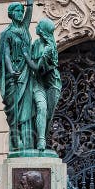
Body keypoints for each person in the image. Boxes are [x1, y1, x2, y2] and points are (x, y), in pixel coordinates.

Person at [0, 0, 35, 151]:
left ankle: (27, 140)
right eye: (17, 11)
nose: (20, 13)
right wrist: (11, 71)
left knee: (28, 106)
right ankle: (15, 136)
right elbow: (4, 55)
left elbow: (31, 8)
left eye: (21, 11)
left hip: (27, 71)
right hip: (15, 73)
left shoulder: (25, 28)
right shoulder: (7, 33)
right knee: (14, 108)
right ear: (11, 14)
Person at [23, 18, 61, 150]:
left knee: (49, 116)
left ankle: (40, 138)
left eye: (39, 25)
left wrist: (25, 55)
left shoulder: (48, 49)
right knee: (41, 108)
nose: (37, 25)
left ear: (43, 29)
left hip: (52, 85)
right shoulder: (36, 44)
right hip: (38, 82)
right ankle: (40, 141)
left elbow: (36, 67)